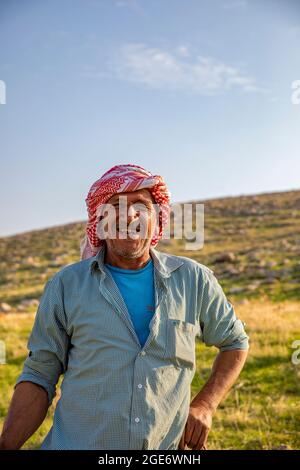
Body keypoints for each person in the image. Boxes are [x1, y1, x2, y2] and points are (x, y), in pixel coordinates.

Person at [0, 164, 249, 450]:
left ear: (157, 219)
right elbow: (40, 375)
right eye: (115, 206)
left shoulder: (193, 279)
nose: (128, 216)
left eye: (140, 206)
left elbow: (235, 342)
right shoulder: (66, 286)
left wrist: (205, 405)